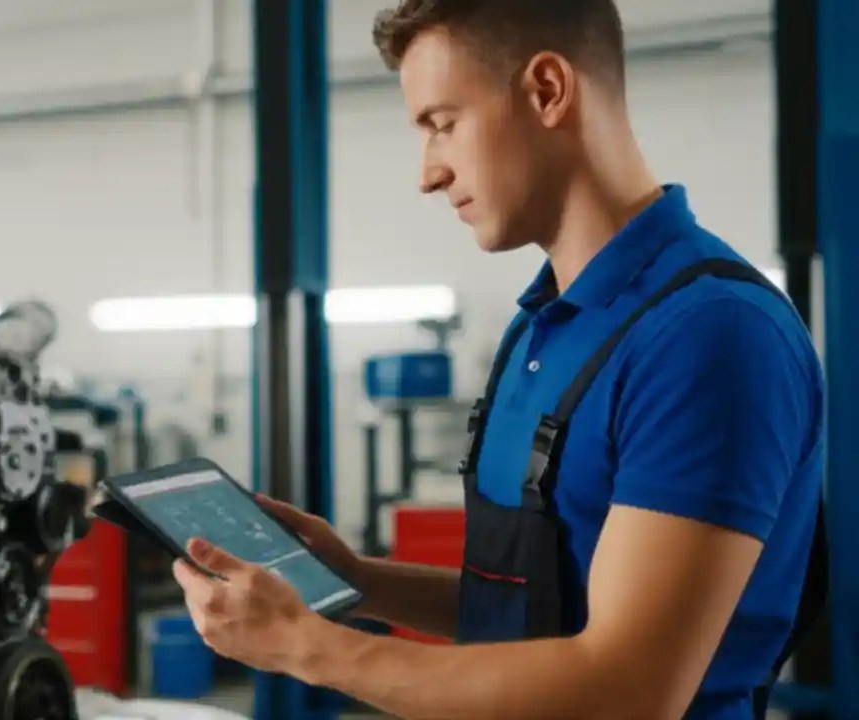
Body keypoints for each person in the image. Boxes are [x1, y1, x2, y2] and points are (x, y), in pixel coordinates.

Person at [169, 1, 826, 718]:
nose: (428, 174)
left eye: (443, 124)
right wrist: (356, 580)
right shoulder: (542, 324)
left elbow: (628, 689)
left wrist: (311, 648)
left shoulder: (708, 333)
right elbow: (539, 611)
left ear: (547, 90)